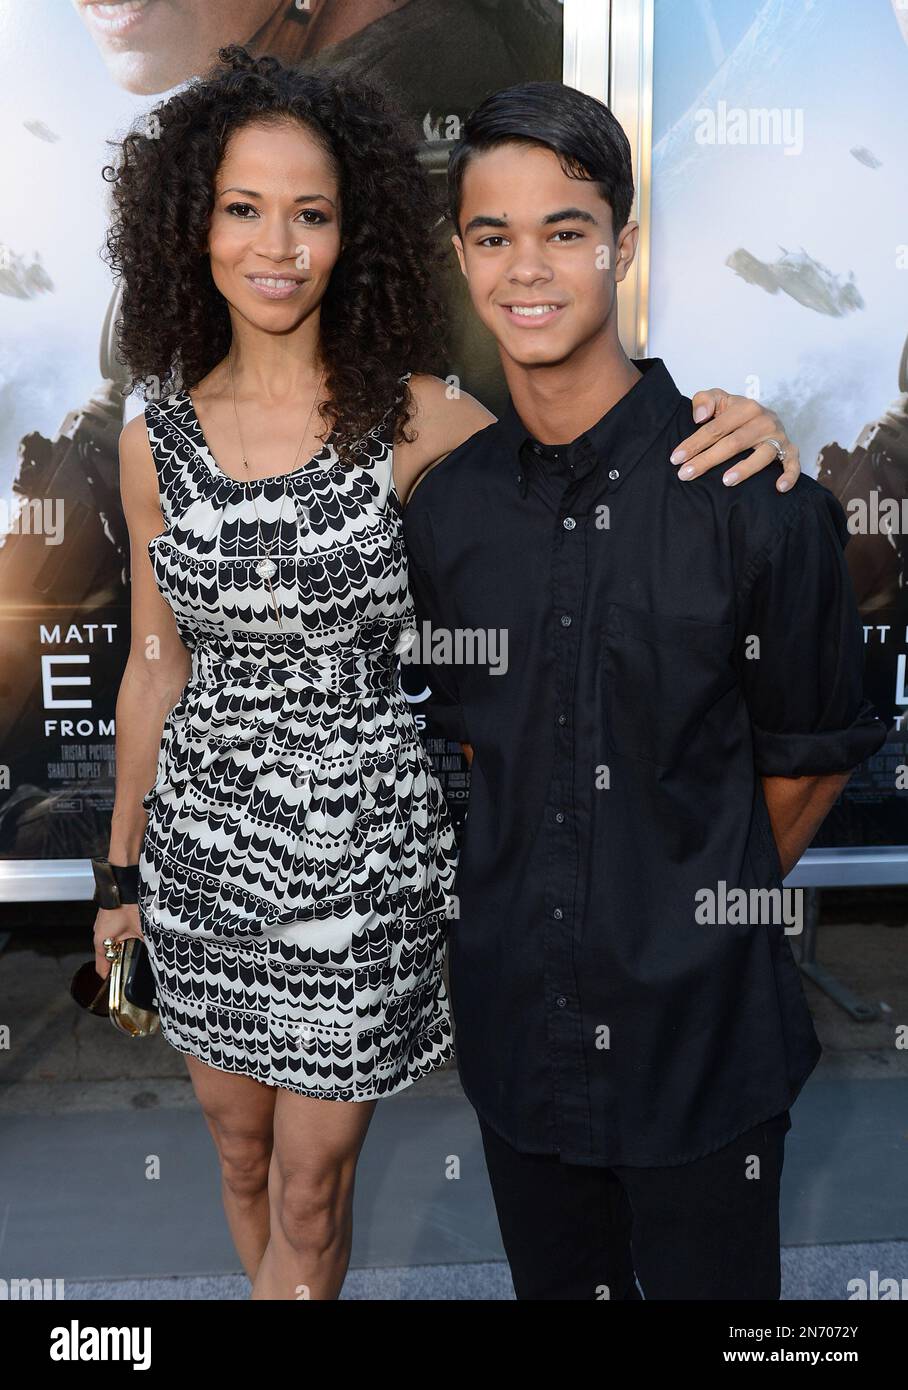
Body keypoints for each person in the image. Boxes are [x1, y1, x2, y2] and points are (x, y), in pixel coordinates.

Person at [92, 47, 805, 1302]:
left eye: (310, 212)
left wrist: (734, 424)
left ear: (351, 233)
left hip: (360, 863)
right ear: (189, 226)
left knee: (310, 1189)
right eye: (243, 209)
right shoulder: (154, 440)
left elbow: (588, 442)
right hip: (198, 857)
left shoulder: (419, 421)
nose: (277, 244)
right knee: (240, 1156)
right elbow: (155, 668)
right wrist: (119, 873)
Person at [401, 81, 888, 1300]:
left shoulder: (756, 502)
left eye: (564, 230)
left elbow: (810, 756)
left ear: (622, 245)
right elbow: (480, 756)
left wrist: (675, 913)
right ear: (459, 255)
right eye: (492, 234)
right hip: (517, 1041)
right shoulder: (450, 514)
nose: (529, 266)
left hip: (701, 1053)